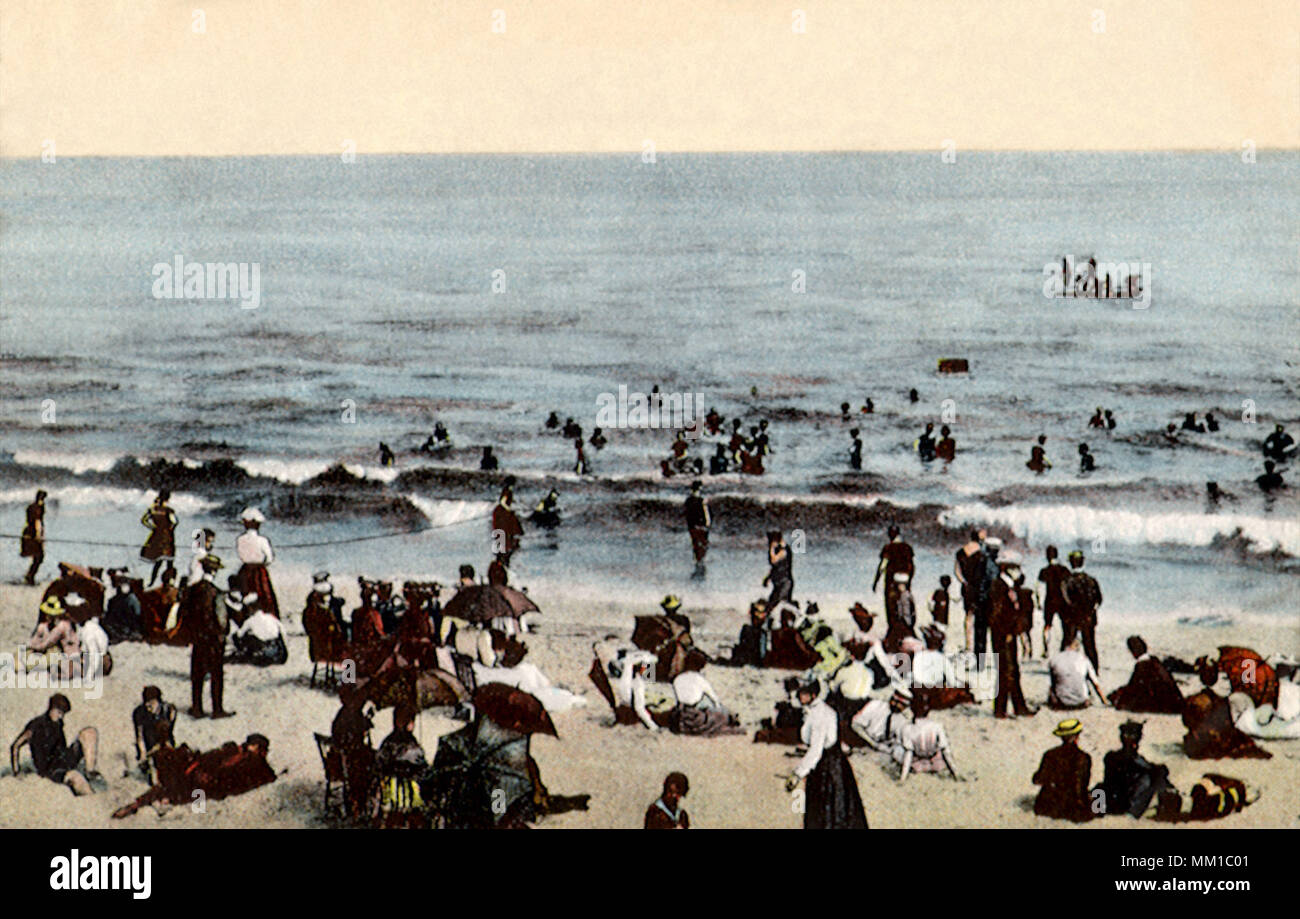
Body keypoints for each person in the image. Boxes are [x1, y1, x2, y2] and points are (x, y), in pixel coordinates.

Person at [111, 734, 276, 819]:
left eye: (254, 746)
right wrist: (197, 768)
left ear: (261, 750)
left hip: (211, 787)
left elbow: (241, 783)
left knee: (180, 791)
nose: (249, 747)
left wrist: (210, 779)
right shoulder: (233, 750)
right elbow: (209, 757)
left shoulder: (259, 767)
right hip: (200, 775)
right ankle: (137, 804)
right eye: (249, 744)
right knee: (173, 780)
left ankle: (155, 803)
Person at [785, 679, 867, 829]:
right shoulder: (817, 709)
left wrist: (798, 774)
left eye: (803, 693)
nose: (799, 697)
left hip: (827, 767)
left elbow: (816, 750)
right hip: (834, 764)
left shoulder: (819, 716)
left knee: (827, 812)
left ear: (813, 695)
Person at [10, 694, 103, 796]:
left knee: (90, 732)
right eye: (59, 713)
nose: (61, 716)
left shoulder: (58, 723)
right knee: (76, 777)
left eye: (63, 714)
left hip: (65, 758)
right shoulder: (36, 725)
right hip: (52, 770)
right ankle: (93, 798)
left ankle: (90, 771)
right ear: (51, 709)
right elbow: (15, 746)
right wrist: (16, 772)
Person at [1182, 660, 1271, 760]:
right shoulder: (1206, 701)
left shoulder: (1216, 700)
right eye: (1225, 678)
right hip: (1206, 740)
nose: (1228, 683)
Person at [185, 553, 234, 718]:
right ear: (214, 572)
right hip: (213, 639)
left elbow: (186, 614)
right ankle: (217, 709)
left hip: (198, 638)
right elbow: (221, 619)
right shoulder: (216, 593)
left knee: (197, 674)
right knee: (216, 675)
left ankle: (197, 708)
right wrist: (223, 633)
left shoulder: (192, 591)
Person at [1095, 721, 1173, 818]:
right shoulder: (1121, 758)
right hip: (1125, 804)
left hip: (1114, 802)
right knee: (1152, 778)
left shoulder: (1113, 756)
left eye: (1131, 736)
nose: (1129, 739)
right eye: (1127, 735)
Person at [989, 554, 1034, 718]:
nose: (1017, 571)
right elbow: (995, 614)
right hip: (1003, 635)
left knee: (1012, 670)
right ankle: (1002, 709)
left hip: (1009, 633)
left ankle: (1016, 706)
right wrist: (1006, 632)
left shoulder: (1009, 586)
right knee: (1005, 670)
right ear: (1004, 568)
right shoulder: (998, 586)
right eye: (1013, 568)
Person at [1031, 719, 1094, 822]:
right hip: (1071, 809)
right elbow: (1082, 785)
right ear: (1076, 737)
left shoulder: (1049, 754)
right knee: (1099, 792)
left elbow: (1037, 779)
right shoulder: (1083, 757)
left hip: (1046, 806)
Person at [374, 704, 427, 824]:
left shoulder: (411, 741)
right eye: (407, 720)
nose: (411, 724)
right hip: (395, 787)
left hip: (407, 785)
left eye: (412, 721)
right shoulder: (392, 742)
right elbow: (381, 762)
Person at [1109, 636, 1184, 713]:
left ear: (1133, 653)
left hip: (1164, 705)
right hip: (1176, 701)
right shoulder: (1155, 661)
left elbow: (1133, 687)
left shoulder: (1142, 666)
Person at [894, 694, 959, 781]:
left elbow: (908, 755)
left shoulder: (907, 729)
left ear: (912, 709)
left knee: (897, 750)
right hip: (935, 763)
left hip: (916, 765)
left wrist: (903, 778)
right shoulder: (937, 726)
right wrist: (955, 773)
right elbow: (946, 752)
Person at [671, 659, 741, 736]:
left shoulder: (677, 679)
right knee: (716, 710)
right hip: (697, 718)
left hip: (682, 718)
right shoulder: (698, 678)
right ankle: (731, 717)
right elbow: (714, 699)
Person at [1060, 549, 1101, 670]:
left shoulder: (1066, 581)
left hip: (1072, 618)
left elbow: (1065, 601)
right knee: (1090, 646)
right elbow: (1098, 600)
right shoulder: (1091, 580)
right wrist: (1090, 612)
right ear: (1083, 562)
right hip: (1088, 618)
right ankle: (1094, 669)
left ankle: (1063, 669)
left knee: (1067, 644)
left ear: (1071, 563)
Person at [235, 508, 278, 618]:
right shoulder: (263, 540)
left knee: (244, 594)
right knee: (265, 596)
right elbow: (269, 558)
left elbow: (240, 555)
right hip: (259, 571)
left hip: (245, 571)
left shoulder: (240, 539)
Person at [28, 595, 81, 678]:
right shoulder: (67, 623)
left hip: (69, 660)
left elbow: (46, 644)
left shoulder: (61, 627)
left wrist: (31, 646)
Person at [132, 686, 178, 780]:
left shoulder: (169, 710)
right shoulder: (139, 713)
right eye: (147, 703)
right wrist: (143, 754)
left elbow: (170, 730)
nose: (149, 706)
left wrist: (168, 746)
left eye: (152, 703)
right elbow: (139, 735)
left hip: (166, 745)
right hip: (149, 746)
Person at [1048, 635, 1106, 709]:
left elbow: (1053, 684)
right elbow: (1095, 684)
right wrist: (1104, 700)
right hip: (1081, 702)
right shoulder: (1083, 659)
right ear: (1078, 647)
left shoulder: (1054, 659)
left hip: (1061, 702)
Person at [228, 596, 289, 666]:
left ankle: (249, 654)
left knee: (244, 636)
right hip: (278, 652)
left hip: (265, 654)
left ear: (250, 608)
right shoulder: (270, 617)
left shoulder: (249, 621)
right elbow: (283, 631)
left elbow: (239, 634)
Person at [953, 529, 985, 653]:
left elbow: (957, 571)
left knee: (968, 616)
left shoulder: (960, 552)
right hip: (979, 587)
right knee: (980, 617)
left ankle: (968, 645)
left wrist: (964, 582)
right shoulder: (982, 552)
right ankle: (979, 645)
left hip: (967, 587)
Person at [872, 525, 915, 616]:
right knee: (905, 598)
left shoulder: (888, 548)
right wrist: (910, 579)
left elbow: (882, 566)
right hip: (905, 577)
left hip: (892, 578)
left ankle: (893, 623)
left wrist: (876, 581)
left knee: (890, 601)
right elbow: (911, 565)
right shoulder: (907, 547)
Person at [1035, 546, 1068, 659]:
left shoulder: (1044, 571)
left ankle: (1046, 649)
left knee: (1047, 626)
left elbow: (1039, 588)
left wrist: (1039, 602)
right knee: (1065, 626)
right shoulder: (1064, 570)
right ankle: (1064, 648)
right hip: (1062, 601)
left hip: (1049, 600)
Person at [140, 489, 178, 587]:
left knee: (158, 562)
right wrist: (170, 530)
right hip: (167, 537)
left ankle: (152, 582)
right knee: (169, 562)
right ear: (168, 499)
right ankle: (170, 582)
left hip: (156, 535)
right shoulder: (169, 510)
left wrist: (153, 528)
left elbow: (144, 520)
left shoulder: (153, 509)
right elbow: (175, 522)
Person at [102, 569, 143, 643]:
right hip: (119, 624)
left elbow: (137, 612)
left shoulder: (131, 598)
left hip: (128, 624)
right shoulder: (114, 598)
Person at [20, 490, 46, 585]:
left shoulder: (31, 507)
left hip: (28, 532)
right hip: (33, 534)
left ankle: (30, 575)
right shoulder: (38, 508)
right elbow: (37, 522)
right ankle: (30, 576)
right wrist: (39, 536)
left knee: (37, 556)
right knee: (39, 556)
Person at [763, 531, 794, 608]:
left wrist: (772, 548)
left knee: (780, 604)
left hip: (785, 583)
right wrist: (768, 578)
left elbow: (773, 560)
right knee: (771, 603)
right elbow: (774, 567)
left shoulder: (784, 550)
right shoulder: (778, 549)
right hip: (778, 583)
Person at [684, 480, 711, 567]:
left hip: (693, 525)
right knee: (703, 543)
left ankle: (698, 559)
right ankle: (701, 559)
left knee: (696, 542)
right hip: (701, 525)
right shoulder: (702, 500)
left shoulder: (688, 500)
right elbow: (706, 514)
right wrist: (707, 524)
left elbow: (687, 514)